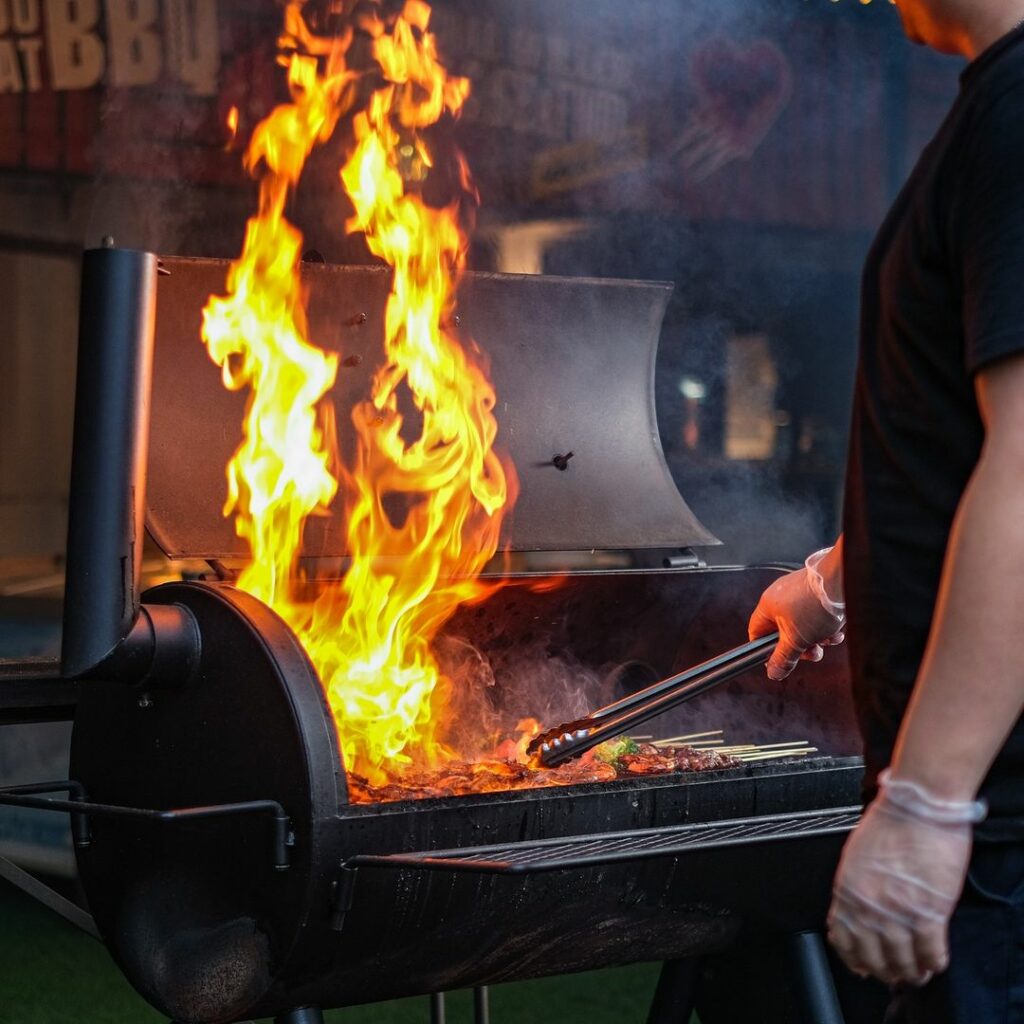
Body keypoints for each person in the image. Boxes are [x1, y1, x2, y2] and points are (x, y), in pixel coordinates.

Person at [748, 2, 1024, 1019]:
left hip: (998, 829)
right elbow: (965, 453)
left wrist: (927, 804)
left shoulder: (1018, 111)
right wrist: (834, 581)